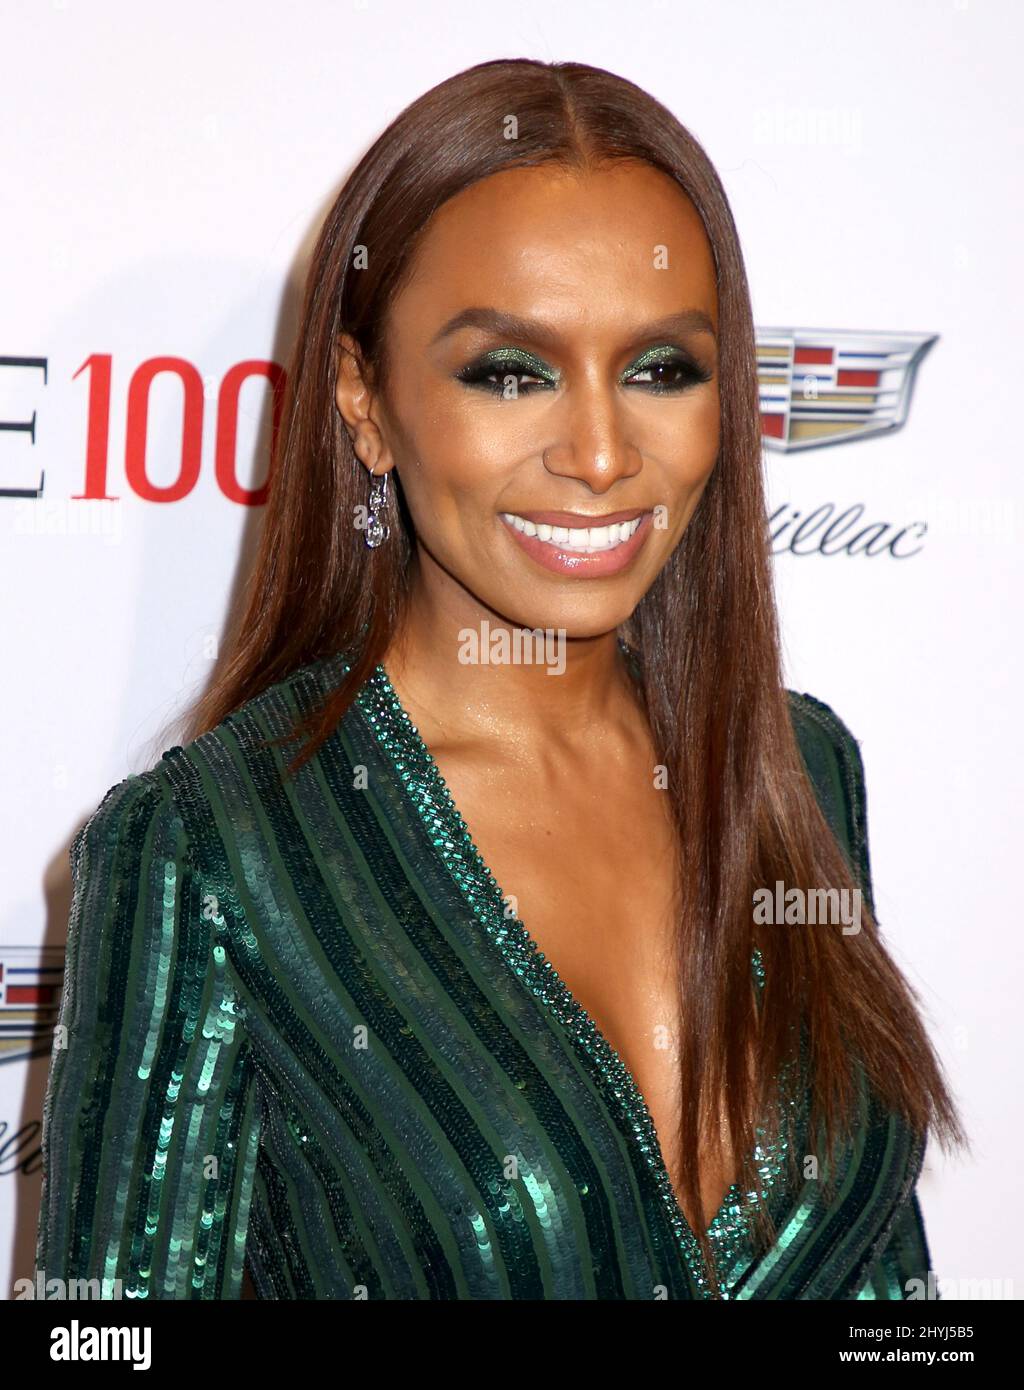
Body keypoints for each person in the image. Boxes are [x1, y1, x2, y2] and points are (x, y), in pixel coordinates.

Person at [35, 57, 964, 1301]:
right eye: (508, 372)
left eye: (660, 369)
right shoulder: (216, 854)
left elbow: (884, 1288)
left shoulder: (798, 770)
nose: (597, 452)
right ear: (365, 404)